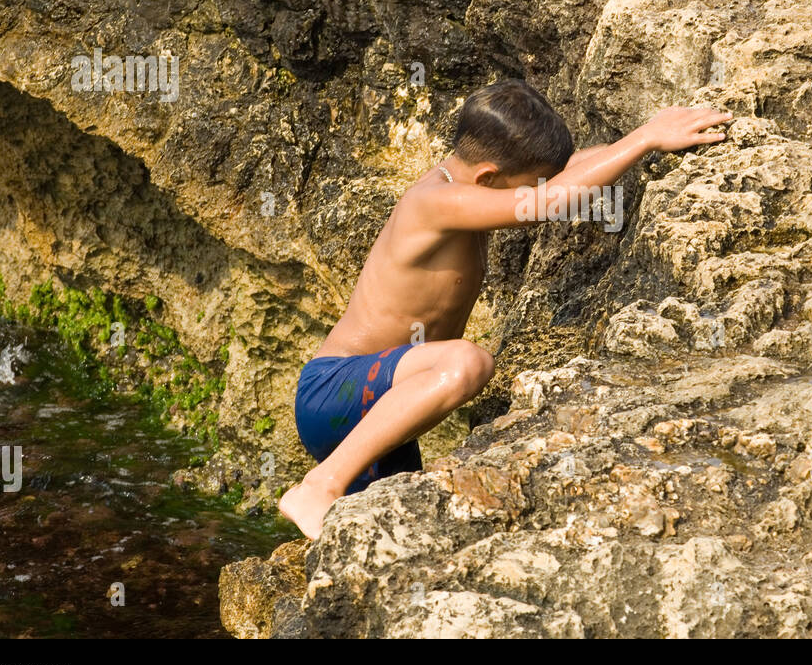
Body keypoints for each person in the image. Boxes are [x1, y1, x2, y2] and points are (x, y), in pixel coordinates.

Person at [278, 77, 732, 539]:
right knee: (467, 361)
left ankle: (329, 498)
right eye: (523, 181)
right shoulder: (432, 202)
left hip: (379, 411)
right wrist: (644, 140)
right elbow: (543, 202)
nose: (534, 186)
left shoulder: (468, 183)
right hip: (336, 391)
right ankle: (319, 485)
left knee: (389, 539)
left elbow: (557, 178)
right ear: (490, 178)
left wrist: (653, 129)